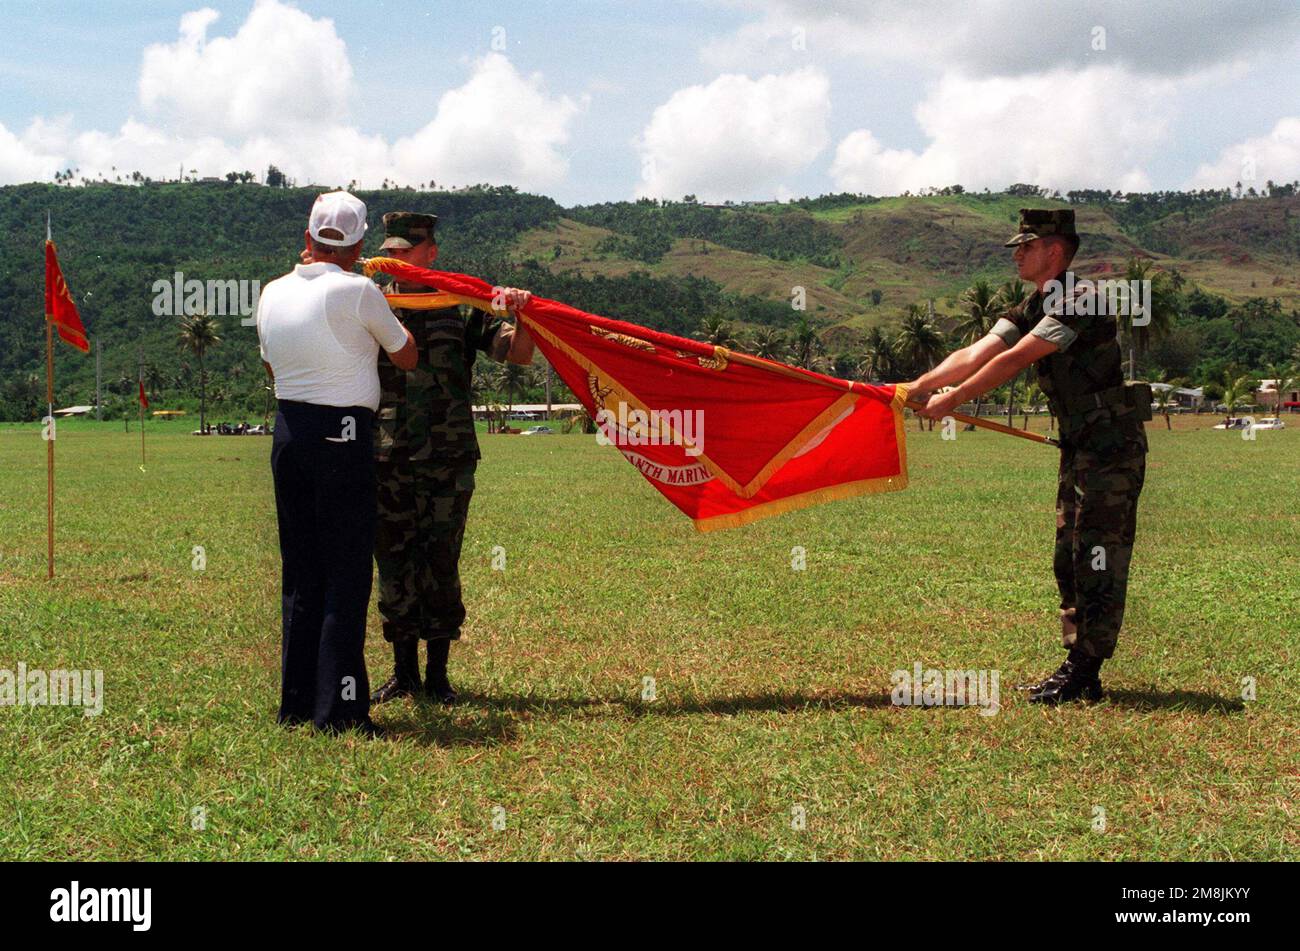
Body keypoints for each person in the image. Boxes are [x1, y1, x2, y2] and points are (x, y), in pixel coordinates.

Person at [906, 208, 1150, 704]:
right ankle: (1080, 666)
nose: (1016, 253)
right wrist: (917, 386)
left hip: (1110, 448)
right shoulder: (1036, 303)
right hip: (1081, 444)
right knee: (1069, 556)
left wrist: (950, 401)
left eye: (1026, 245)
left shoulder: (1083, 301)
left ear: (1054, 251)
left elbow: (1015, 359)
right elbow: (980, 351)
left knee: (1096, 554)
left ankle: (1085, 668)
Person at [256, 191, 418, 735]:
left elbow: (269, 363)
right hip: (343, 437)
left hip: (288, 435)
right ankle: (342, 710)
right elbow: (406, 354)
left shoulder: (271, 292)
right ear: (359, 245)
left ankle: (297, 703)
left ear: (307, 238)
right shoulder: (360, 291)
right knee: (346, 572)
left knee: (301, 571)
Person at [368, 211, 536, 705]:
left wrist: (524, 313)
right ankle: (403, 674)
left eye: (408, 249)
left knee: (442, 561)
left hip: (448, 456)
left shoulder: (464, 305)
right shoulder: (371, 303)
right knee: (395, 562)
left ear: (431, 252)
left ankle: (438, 676)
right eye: (391, 249)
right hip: (388, 456)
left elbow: (519, 355)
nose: (396, 257)